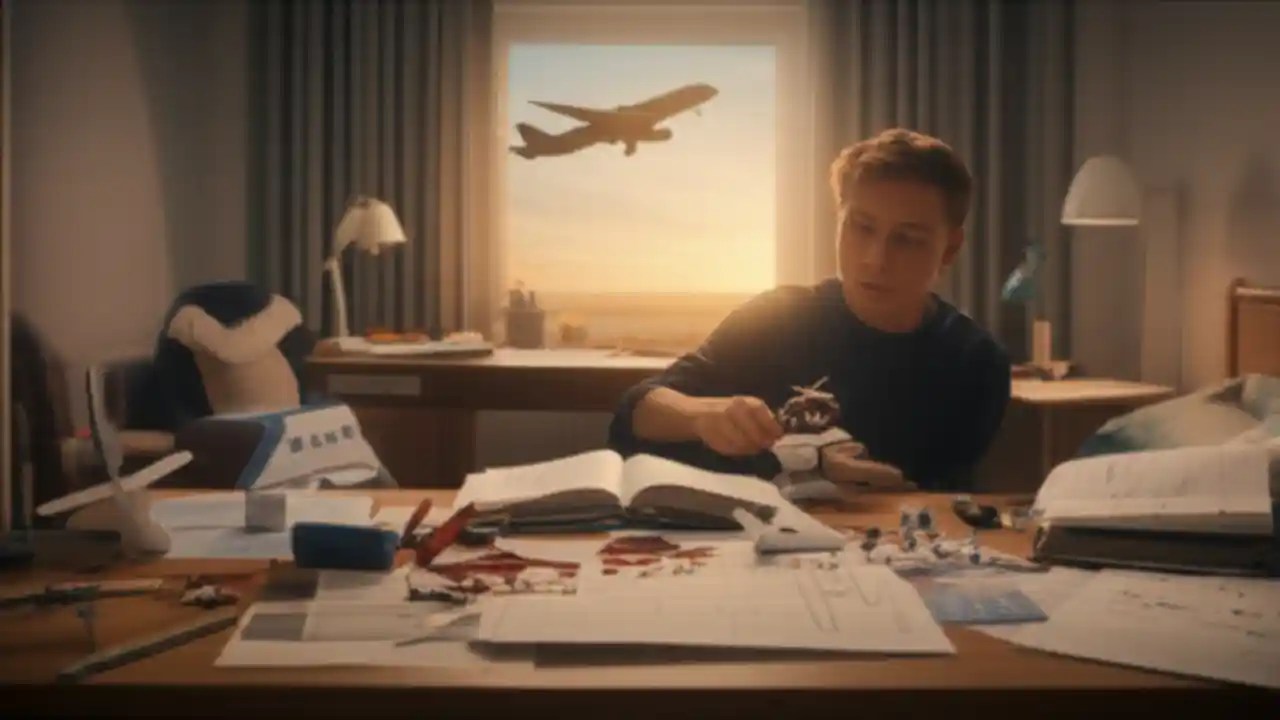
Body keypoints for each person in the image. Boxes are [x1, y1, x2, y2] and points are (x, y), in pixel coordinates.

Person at [607, 128, 1011, 492]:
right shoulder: (778, 316)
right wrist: (700, 414)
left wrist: (846, 479)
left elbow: (937, 501)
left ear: (951, 248)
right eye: (861, 227)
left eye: (906, 239)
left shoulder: (974, 361)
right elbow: (635, 413)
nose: (875, 259)